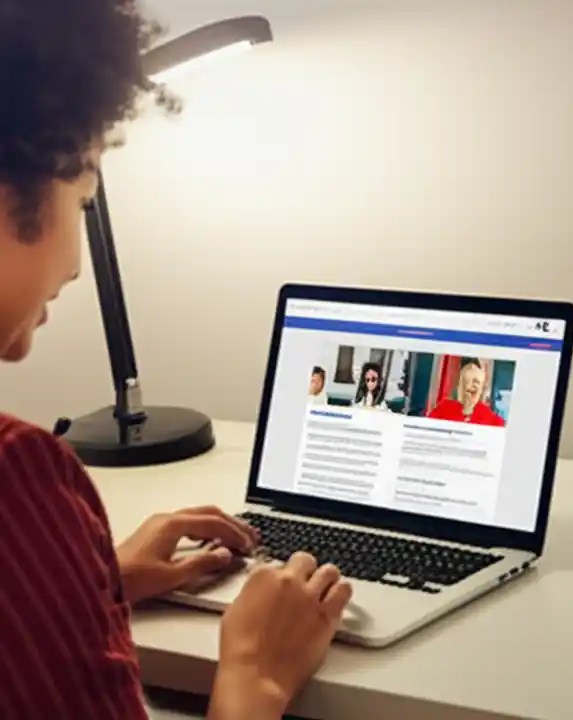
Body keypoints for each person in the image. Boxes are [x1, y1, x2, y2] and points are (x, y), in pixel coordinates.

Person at [0, 1, 352, 717]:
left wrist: (87, 582)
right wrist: (254, 676)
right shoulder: (18, 481)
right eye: (85, 191)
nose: (76, 263)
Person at [427, 360, 506, 427]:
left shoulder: (493, 420)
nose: (471, 386)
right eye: (465, 381)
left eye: (476, 381)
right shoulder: (442, 409)